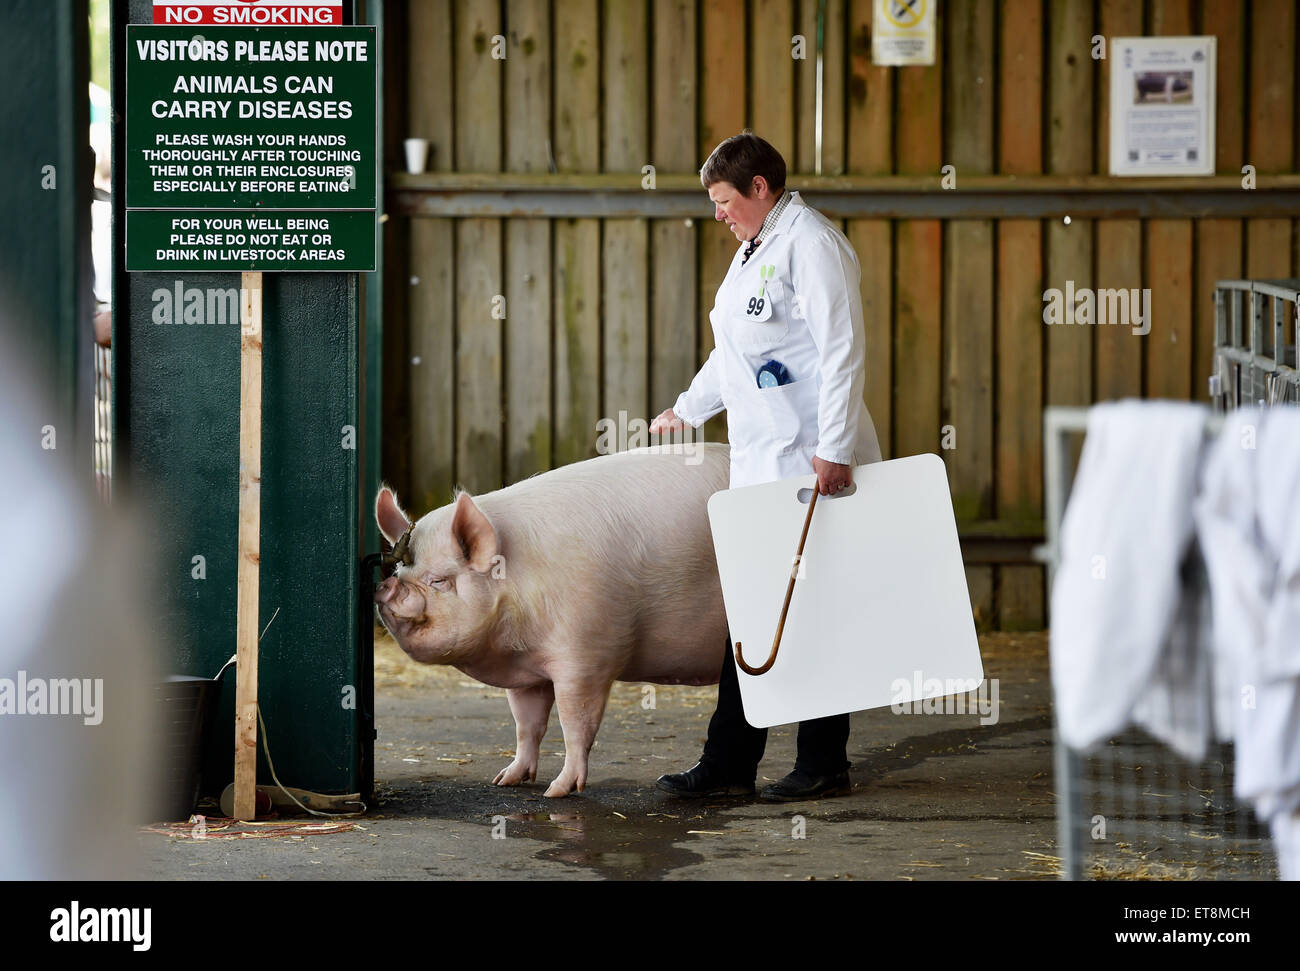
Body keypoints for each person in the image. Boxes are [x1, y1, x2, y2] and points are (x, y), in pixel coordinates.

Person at [650, 131, 882, 802]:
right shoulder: (756, 249)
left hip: (808, 464)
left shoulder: (811, 244)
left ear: (760, 188)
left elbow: (842, 351)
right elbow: (735, 354)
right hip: (764, 465)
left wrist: (835, 447)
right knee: (763, 611)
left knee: (804, 611)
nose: (717, 213)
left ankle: (809, 763)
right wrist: (687, 410)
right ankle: (740, 763)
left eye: (724, 200)